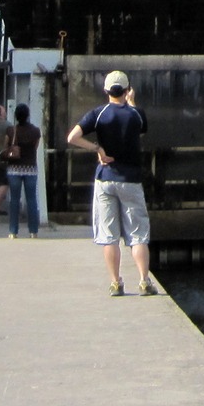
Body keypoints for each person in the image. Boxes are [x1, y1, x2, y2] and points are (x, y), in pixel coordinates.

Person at [67, 71, 157, 296]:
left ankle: (116, 283)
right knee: (138, 235)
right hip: (131, 180)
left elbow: (72, 137)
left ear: (106, 90)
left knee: (109, 236)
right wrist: (132, 101)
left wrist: (97, 148)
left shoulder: (98, 113)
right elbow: (141, 128)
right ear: (127, 90)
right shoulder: (136, 115)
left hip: (105, 178)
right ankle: (144, 281)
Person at [4, 102, 42, 239]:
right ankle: (33, 231)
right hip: (30, 168)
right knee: (31, 199)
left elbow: (6, 147)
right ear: (28, 115)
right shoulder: (36, 131)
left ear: (16, 116)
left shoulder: (11, 130)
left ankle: (13, 231)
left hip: (14, 168)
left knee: (14, 200)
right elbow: (35, 147)